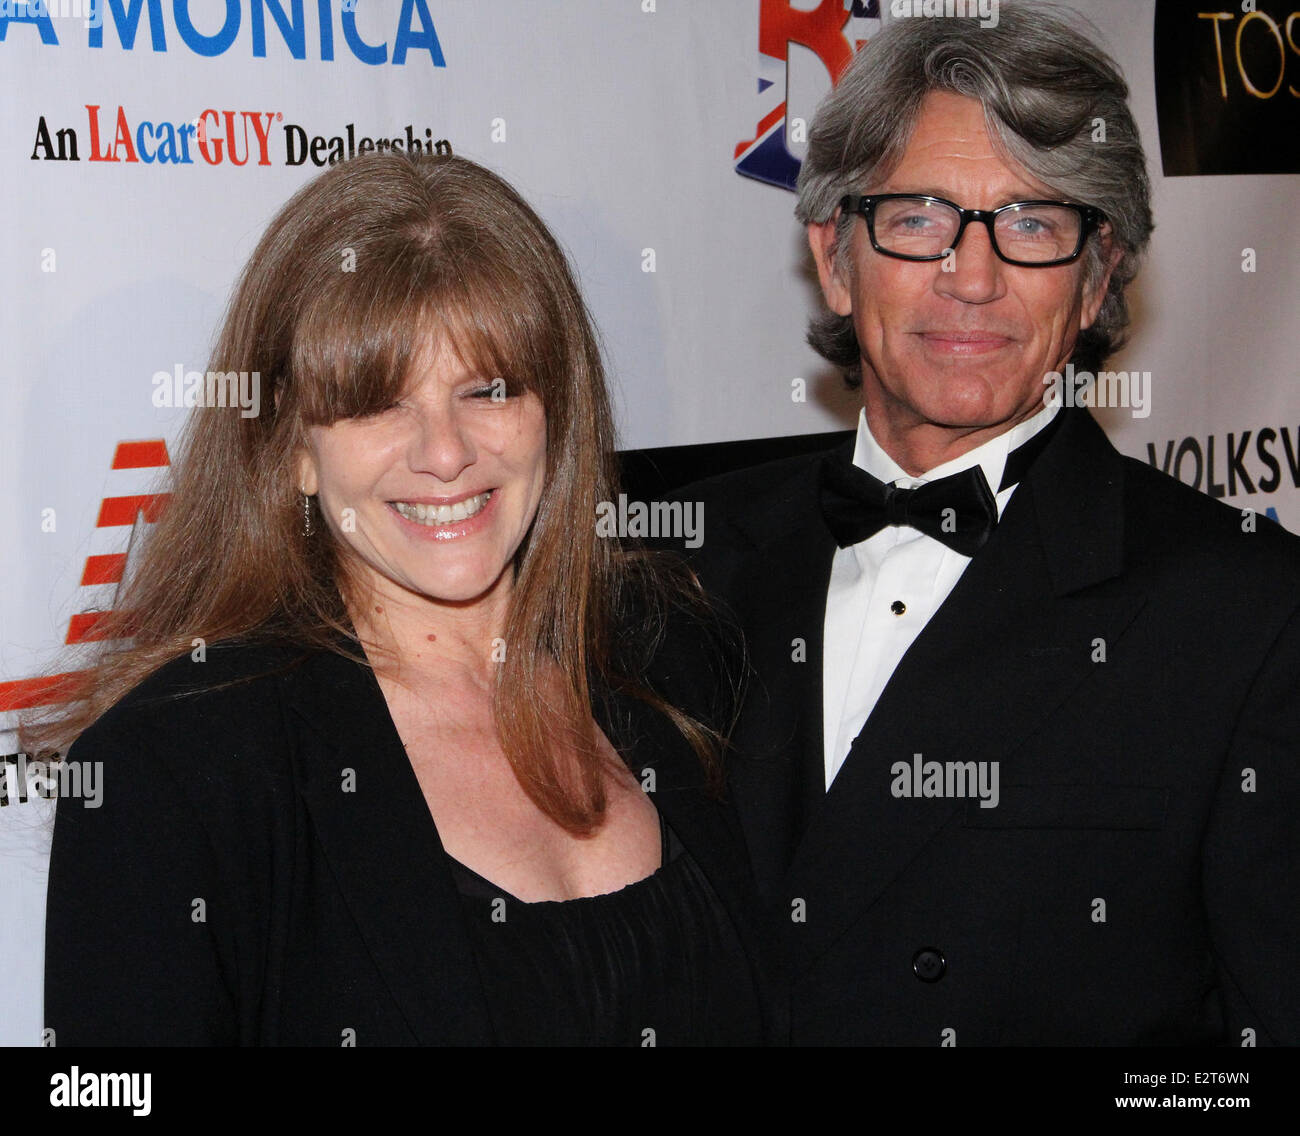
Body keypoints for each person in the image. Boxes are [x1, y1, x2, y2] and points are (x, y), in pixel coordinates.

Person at [36, 151, 772, 1046]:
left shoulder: (681, 658)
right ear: (295, 449)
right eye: (380, 403)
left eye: (487, 389)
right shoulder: (179, 774)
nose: (446, 451)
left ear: (556, 412)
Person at [670, 5, 1300, 1045]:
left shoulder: (1247, 614)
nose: (972, 276)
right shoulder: (678, 564)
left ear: (1096, 278)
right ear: (835, 255)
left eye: (1032, 223)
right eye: (917, 217)